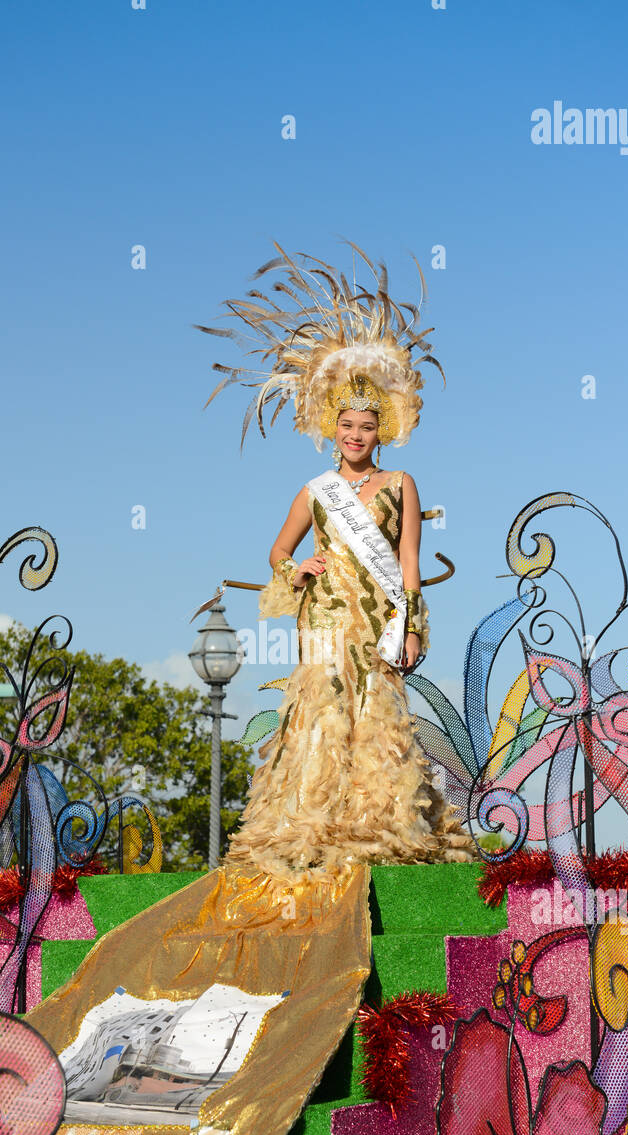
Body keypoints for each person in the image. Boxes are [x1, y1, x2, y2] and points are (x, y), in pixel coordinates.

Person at [199, 243, 478, 882]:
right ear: (333, 428)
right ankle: (310, 828)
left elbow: (407, 562)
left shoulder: (402, 483)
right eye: (347, 425)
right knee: (323, 708)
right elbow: (276, 550)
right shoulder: (314, 490)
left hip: (377, 614)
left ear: (383, 430)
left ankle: (375, 829)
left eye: (367, 426)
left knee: (376, 712)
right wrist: (297, 570)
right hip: (324, 616)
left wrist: (410, 624)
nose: (356, 435)